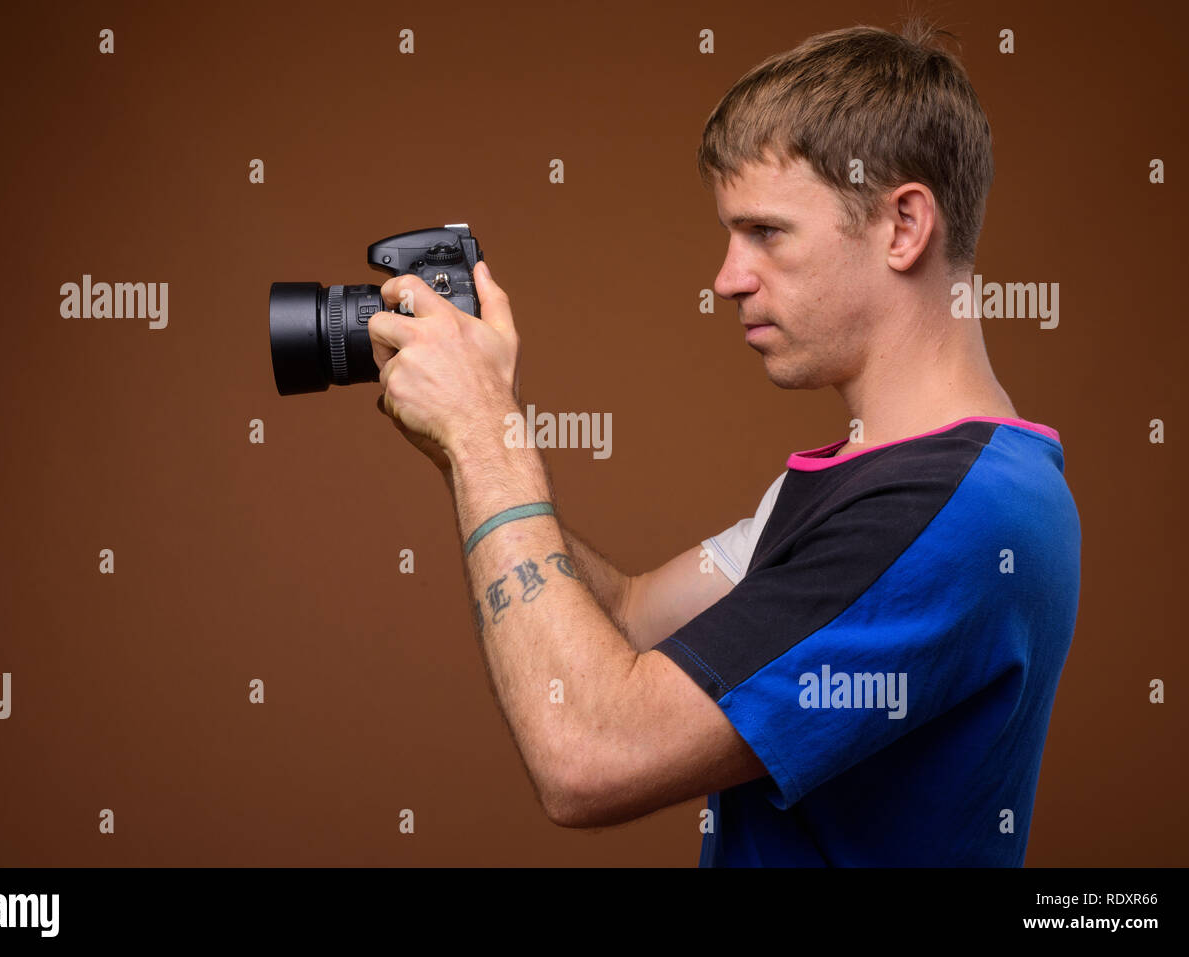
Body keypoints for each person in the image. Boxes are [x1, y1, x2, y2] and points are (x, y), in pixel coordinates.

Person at [366, 18, 1081, 866]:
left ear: (903, 226)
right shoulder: (877, 485)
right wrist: (472, 441)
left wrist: (489, 443)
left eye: (766, 232)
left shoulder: (951, 514)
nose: (727, 276)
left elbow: (588, 753)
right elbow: (628, 621)